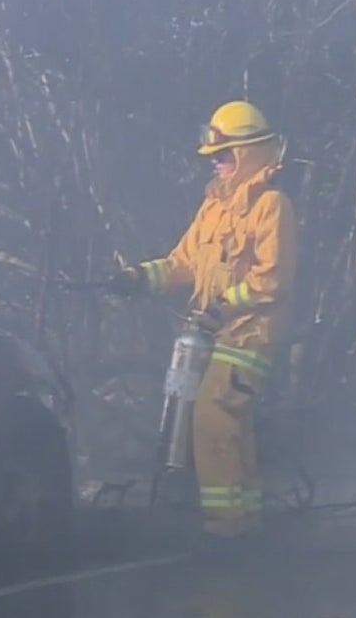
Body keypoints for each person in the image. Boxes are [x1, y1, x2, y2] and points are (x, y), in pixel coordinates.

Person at [108, 100, 297, 549]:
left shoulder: (271, 206)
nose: (216, 162)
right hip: (219, 331)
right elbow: (184, 262)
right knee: (231, 426)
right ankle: (245, 520)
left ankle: (224, 528)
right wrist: (139, 278)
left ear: (248, 152)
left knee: (213, 415)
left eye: (223, 154)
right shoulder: (214, 207)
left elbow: (272, 278)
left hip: (250, 332)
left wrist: (223, 307)